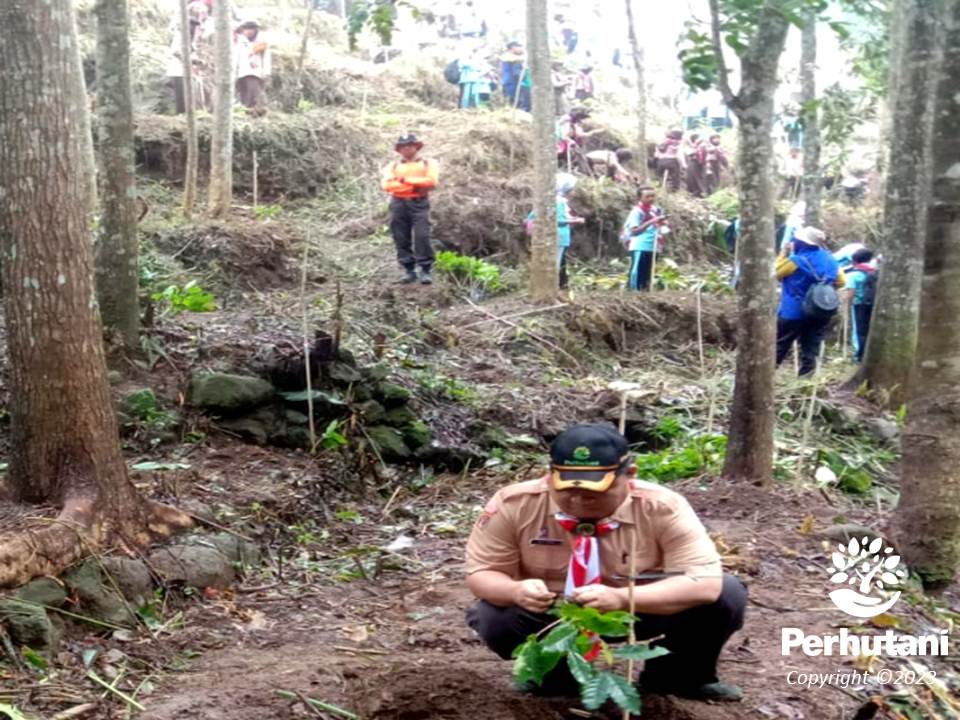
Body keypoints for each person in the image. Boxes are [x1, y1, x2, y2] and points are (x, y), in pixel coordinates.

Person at [465, 423, 747, 701]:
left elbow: (704, 583)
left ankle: (677, 678)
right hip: (551, 615)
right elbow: (482, 573)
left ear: (630, 475)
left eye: (593, 493)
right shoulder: (514, 504)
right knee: (494, 616)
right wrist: (516, 591)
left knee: (727, 594)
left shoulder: (662, 507)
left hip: (635, 612)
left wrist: (622, 598)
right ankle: (552, 678)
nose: (578, 501)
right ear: (548, 476)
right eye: (567, 491)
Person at [775, 227, 846, 376]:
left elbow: (775, 273)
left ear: (801, 243)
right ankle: (806, 379)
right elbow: (841, 281)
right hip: (820, 310)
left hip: (793, 311)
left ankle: (766, 376)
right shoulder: (830, 259)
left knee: (780, 345)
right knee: (811, 347)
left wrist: (783, 254)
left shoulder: (795, 261)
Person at [381, 134, 439, 284]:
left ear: (416, 146)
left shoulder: (428, 163)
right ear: (399, 149)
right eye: (403, 146)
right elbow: (387, 185)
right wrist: (416, 185)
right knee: (400, 235)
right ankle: (409, 269)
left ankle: (425, 269)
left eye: (410, 144)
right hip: (398, 203)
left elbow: (431, 181)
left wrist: (405, 181)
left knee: (422, 235)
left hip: (419, 203)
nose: (407, 148)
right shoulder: (392, 166)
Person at [622, 186, 669, 291]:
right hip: (641, 246)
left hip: (654, 246)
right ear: (640, 198)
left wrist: (662, 222)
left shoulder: (656, 210)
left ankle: (646, 294)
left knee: (648, 274)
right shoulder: (637, 212)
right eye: (647, 196)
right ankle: (634, 294)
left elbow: (663, 226)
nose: (651, 199)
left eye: (653, 196)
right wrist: (652, 221)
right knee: (637, 273)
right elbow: (634, 231)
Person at [844, 248, 878, 362]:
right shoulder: (875, 271)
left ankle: (860, 355)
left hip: (859, 304)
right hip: (874, 304)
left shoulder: (854, 274)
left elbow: (851, 292)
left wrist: (848, 302)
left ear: (854, 261)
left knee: (860, 331)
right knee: (870, 329)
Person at [234, 20, 271, 111]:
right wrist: (234, 72)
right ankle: (244, 110)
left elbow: (266, 59)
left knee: (253, 95)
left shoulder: (261, 43)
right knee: (243, 93)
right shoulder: (240, 42)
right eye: (246, 29)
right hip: (242, 72)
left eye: (251, 29)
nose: (248, 31)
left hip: (255, 73)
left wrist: (266, 73)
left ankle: (253, 111)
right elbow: (236, 57)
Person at [500, 41, 531, 112]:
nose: (521, 49)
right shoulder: (507, 57)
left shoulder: (517, 57)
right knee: (515, 101)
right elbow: (516, 72)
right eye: (519, 47)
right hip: (511, 82)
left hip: (516, 82)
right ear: (513, 48)